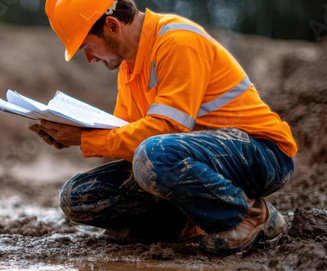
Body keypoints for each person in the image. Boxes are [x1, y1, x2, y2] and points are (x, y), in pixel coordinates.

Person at [34, 0, 297, 255]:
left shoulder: (178, 41)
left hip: (262, 153)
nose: (90, 58)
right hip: (201, 157)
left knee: (154, 154)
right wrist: (75, 133)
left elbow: (164, 132)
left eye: (87, 46)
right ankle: (178, 225)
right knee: (76, 197)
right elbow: (128, 145)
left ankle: (249, 215)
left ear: (112, 25)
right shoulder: (130, 68)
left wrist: (85, 140)